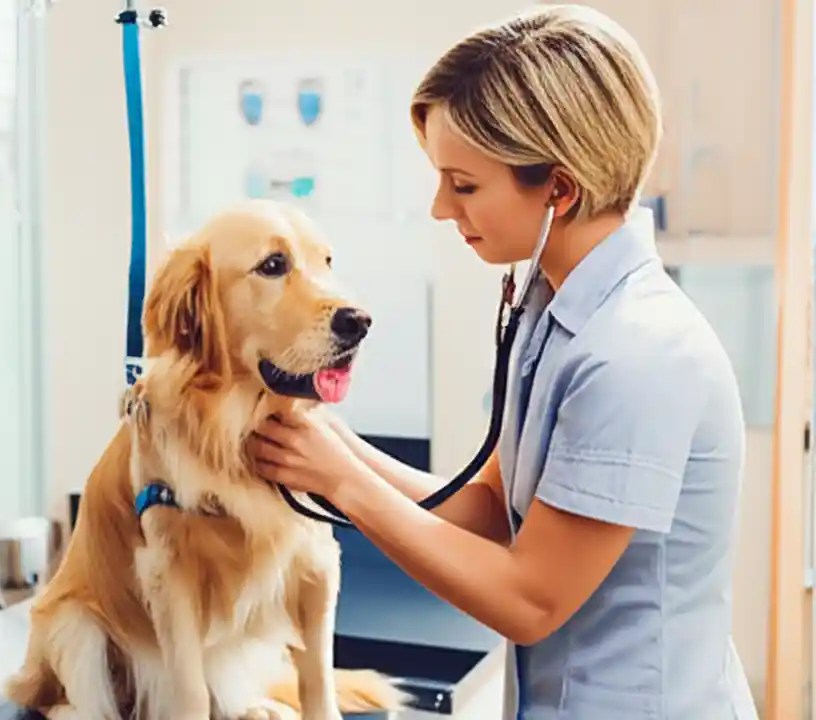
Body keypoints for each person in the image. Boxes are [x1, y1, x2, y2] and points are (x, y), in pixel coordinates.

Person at [249, 6, 757, 719]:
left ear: (558, 187)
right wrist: (331, 444)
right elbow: (488, 510)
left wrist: (342, 484)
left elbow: (531, 599)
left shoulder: (637, 355)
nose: (438, 208)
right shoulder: (552, 312)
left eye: (463, 185)